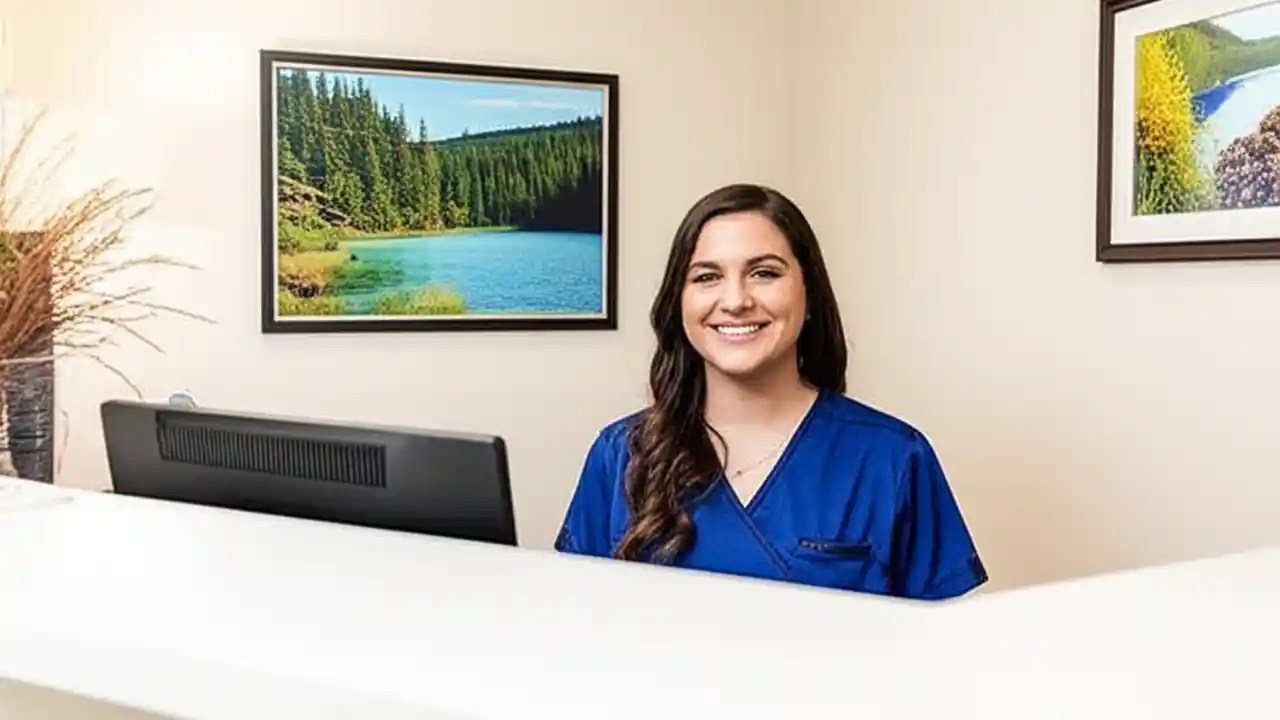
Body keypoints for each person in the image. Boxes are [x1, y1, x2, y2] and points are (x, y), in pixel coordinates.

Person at [554, 183, 987, 601]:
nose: (735, 301)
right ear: (678, 302)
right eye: (707, 276)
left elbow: (947, 637)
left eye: (764, 273)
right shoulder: (620, 454)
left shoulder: (892, 458)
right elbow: (573, 622)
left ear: (809, 292)